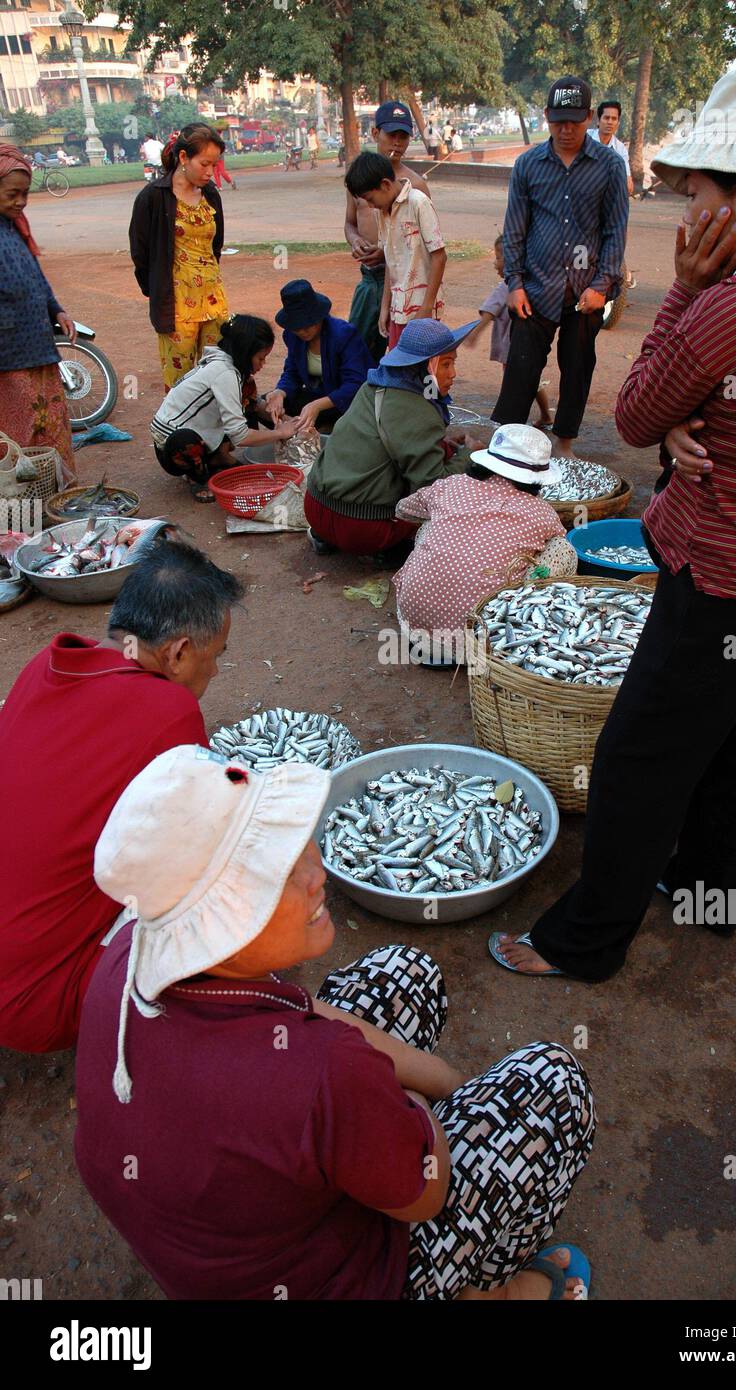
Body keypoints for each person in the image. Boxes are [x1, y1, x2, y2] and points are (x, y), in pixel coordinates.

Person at [491, 62, 736, 980]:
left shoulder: (733, 305)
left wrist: (689, 291)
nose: (685, 206)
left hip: (728, 574)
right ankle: (708, 886)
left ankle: (586, 940)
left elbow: (636, 416)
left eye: (697, 190)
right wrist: (699, 431)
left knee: (637, 755)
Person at [74, 744, 596, 1301]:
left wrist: (439, 1079)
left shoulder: (134, 948)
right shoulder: (322, 1076)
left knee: (404, 973)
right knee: (554, 1086)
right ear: (225, 919)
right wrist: (409, 1105)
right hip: (318, 1281)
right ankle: (490, 1293)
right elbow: (427, 1194)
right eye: (278, 872)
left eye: (302, 846)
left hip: (206, 1248)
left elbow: (303, 1017)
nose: (316, 872)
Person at [0, 540, 242, 1054]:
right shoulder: (168, 713)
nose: (215, 672)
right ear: (178, 653)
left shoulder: (46, 664)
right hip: (34, 1005)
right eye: (215, 656)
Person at [492, 77, 629, 459]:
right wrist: (514, 284)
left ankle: (564, 443)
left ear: (588, 117)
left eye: (574, 121)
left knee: (578, 366)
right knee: (521, 367)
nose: (566, 130)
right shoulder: (528, 165)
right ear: (547, 116)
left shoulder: (610, 166)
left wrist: (603, 284)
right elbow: (515, 229)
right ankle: (507, 447)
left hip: (587, 291)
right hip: (536, 287)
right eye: (558, 121)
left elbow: (615, 231)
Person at [393, 424, 575, 651]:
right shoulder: (543, 512)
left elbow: (402, 510)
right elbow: (557, 540)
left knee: (430, 522)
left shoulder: (451, 485)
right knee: (562, 547)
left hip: (415, 624)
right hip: (491, 641)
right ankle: (524, 623)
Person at [304, 317, 477, 556]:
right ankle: (389, 548)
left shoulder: (372, 386)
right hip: (361, 526)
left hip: (316, 507)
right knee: (452, 494)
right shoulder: (420, 410)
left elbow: (391, 436)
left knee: (443, 453)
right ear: (425, 367)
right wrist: (470, 455)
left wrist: (442, 447)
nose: (453, 374)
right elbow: (431, 485)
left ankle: (329, 538)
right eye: (445, 364)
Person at [151, 314, 294, 502]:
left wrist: (286, 419)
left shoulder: (231, 366)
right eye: (260, 358)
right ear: (245, 352)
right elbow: (240, 435)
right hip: (170, 449)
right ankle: (198, 477)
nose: (262, 364)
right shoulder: (224, 373)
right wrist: (279, 434)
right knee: (185, 442)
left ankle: (218, 456)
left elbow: (252, 404)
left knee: (248, 399)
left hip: (198, 429)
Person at [129, 122, 229, 391]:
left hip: (213, 299)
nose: (210, 172)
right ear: (184, 157)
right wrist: (157, 291)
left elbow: (215, 245)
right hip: (176, 307)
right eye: (205, 164)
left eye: (215, 165)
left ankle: (212, 432)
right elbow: (140, 252)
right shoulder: (153, 198)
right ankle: (178, 432)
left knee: (216, 372)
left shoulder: (210, 195)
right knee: (181, 382)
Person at [0, 142, 77, 484]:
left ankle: (53, 494)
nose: (20, 202)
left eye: (25, 194)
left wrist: (56, 308)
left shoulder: (16, 227)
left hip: (38, 348)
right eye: (12, 194)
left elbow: (35, 276)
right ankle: (22, 504)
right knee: (20, 434)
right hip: (8, 356)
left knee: (50, 424)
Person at [345, 101, 430, 364]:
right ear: (374, 134)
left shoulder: (415, 186)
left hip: (403, 281)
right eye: (390, 135)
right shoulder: (358, 177)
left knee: (402, 355)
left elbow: (427, 248)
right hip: (370, 281)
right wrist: (356, 240)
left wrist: (385, 254)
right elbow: (349, 223)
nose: (396, 143)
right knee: (356, 351)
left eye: (403, 137)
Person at [345, 151, 446, 350]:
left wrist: (426, 307)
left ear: (385, 185)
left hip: (421, 309)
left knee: (421, 374)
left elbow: (439, 256)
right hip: (397, 309)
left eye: (370, 199)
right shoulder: (382, 213)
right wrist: (385, 309)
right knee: (399, 372)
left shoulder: (418, 202)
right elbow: (391, 262)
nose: (371, 205)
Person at [264, 279, 372, 436]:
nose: (302, 332)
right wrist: (280, 391)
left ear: (319, 317)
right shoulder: (292, 336)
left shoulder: (343, 334)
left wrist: (318, 405)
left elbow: (356, 383)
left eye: (307, 325)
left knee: (330, 413)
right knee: (267, 405)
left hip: (346, 401)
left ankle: (322, 429)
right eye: (296, 327)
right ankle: (305, 429)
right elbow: (292, 371)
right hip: (318, 395)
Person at [468, 234, 553, 429]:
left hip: (512, 350)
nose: (495, 263)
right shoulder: (530, 285)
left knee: (512, 384)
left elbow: (489, 313)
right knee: (533, 380)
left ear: (513, 260)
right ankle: (546, 416)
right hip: (529, 347)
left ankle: (508, 420)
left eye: (498, 257)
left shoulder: (505, 288)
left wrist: (475, 333)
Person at [588, 100, 634, 196]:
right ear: (598, 120)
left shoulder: (620, 149)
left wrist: (627, 180)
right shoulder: (584, 137)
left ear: (618, 123)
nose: (610, 122)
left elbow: (628, 181)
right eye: (606, 118)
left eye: (614, 119)